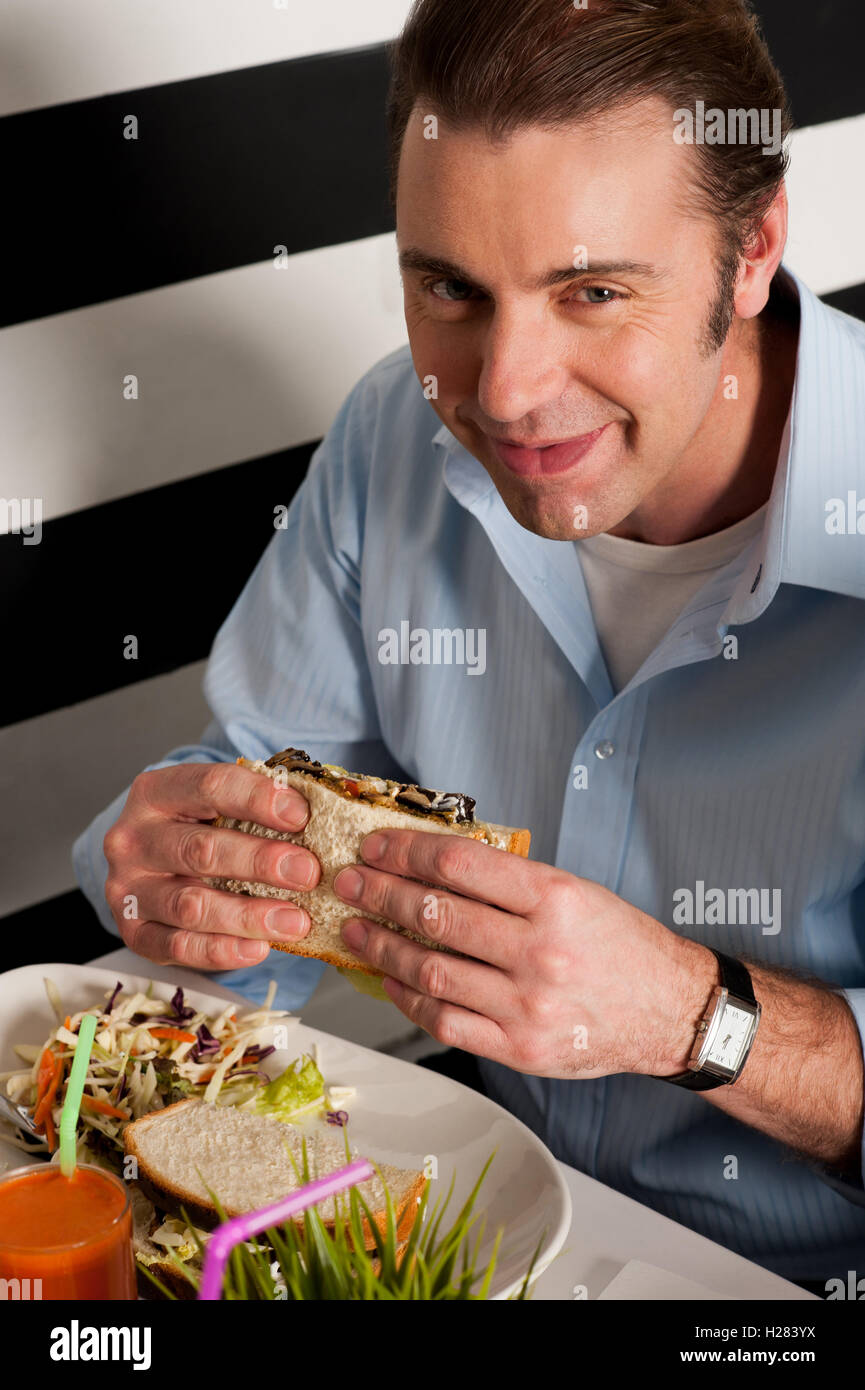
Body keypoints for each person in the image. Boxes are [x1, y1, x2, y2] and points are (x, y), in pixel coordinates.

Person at [73, 0, 865, 1293]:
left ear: (751, 248)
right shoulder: (393, 434)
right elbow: (253, 813)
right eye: (448, 287)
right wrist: (177, 870)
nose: (501, 392)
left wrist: (691, 1015)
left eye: (591, 290)